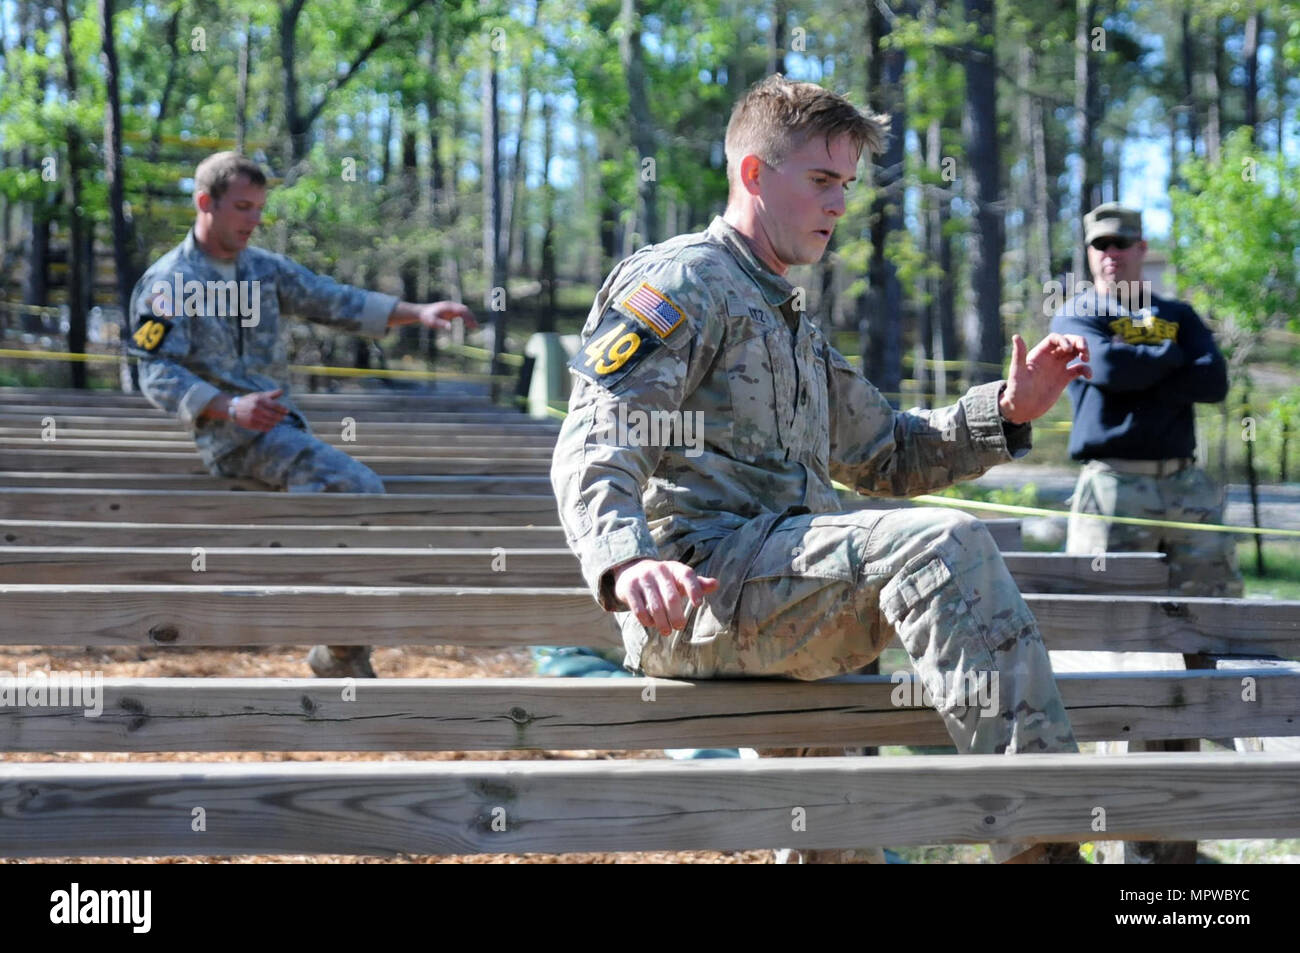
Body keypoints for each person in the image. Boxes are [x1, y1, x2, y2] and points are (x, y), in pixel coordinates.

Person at [550, 75, 1092, 863]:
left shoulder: (788, 316)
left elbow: (890, 452)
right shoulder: (680, 283)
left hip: (791, 592)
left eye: (847, 185)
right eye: (821, 181)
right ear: (753, 175)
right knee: (943, 547)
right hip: (705, 594)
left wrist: (1007, 412)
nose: (839, 204)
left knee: (831, 844)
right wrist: (626, 558)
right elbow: (593, 439)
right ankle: (1042, 839)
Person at [126, 152, 475, 679]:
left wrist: (416, 313)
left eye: (259, 209)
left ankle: (335, 643)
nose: (253, 220)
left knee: (353, 504)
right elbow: (152, 370)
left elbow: (331, 299)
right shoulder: (168, 283)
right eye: (242, 207)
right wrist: (229, 406)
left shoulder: (262, 268)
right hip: (230, 437)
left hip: (279, 432)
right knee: (355, 489)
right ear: (205, 203)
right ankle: (337, 649)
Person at [1048, 202, 1243, 864]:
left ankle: (1178, 842)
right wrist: (1167, 359)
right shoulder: (1078, 314)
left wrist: (1146, 354)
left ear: (1142, 246)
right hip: (1113, 490)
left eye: (1123, 242)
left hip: (1184, 489)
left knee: (1204, 642)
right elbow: (1110, 372)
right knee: (1114, 656)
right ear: (1089, 249)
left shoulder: (1179, 312)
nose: (1112, 253)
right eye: (1100, 244)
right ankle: (1122, 843)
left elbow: (1214, 379)